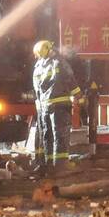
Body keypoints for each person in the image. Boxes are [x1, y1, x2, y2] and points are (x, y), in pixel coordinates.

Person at [31, 40, 79, 170]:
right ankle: (61, 164)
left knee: (48, 135)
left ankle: (49, 163)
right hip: (60, 106)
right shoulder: (59, 63)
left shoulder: (38, 67)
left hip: (45, 107)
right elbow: (70, 80)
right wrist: (79, 96)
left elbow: (37, 89)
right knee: (60, 134)